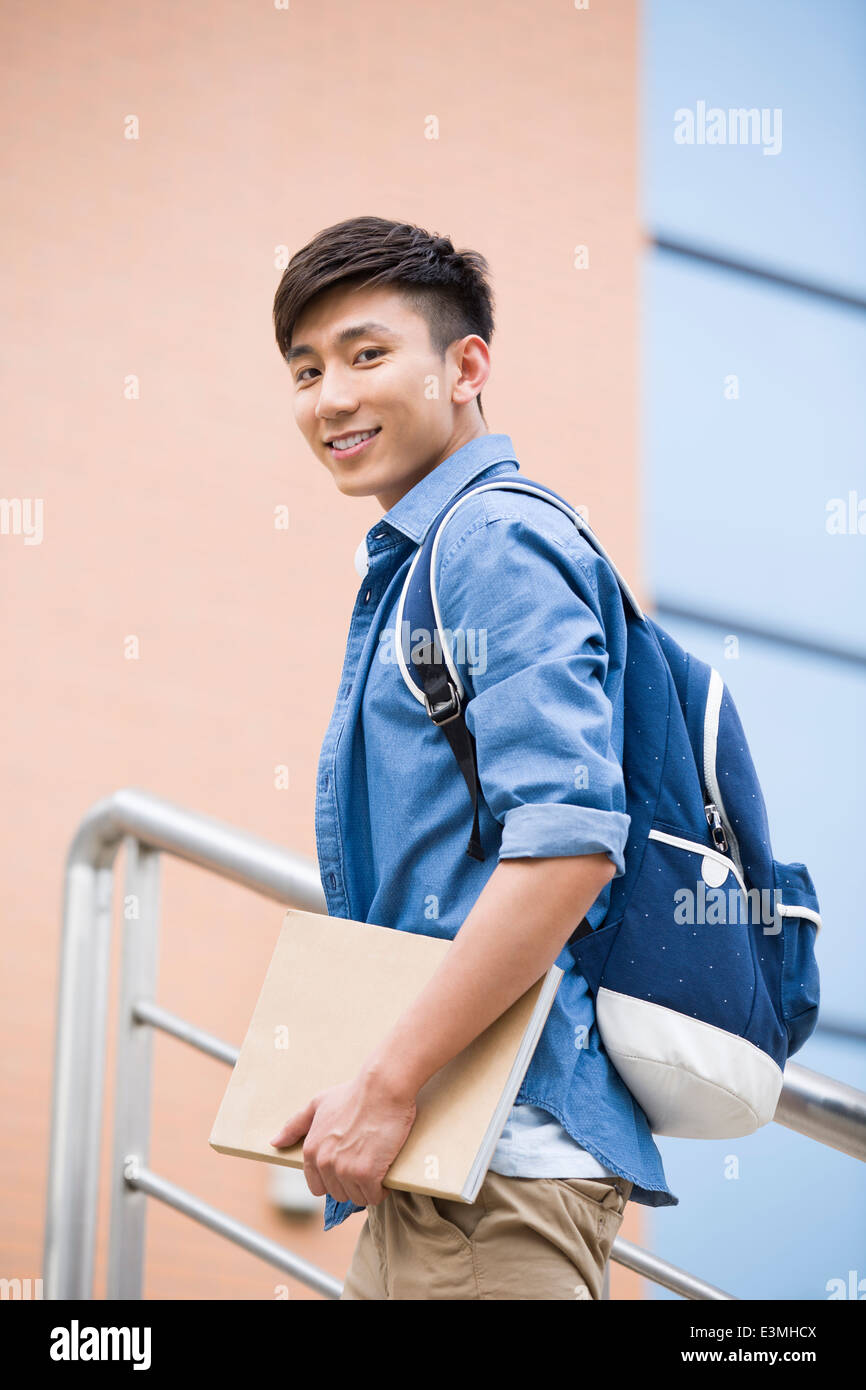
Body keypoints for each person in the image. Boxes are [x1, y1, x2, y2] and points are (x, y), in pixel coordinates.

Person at [268, 216, 676, 1300]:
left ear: (466, 365)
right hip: (451, 1154)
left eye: (364, 354)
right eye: (305, 371)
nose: (330, 398)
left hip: (499, 1161)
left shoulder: (490, 540)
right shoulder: (425, 557)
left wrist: (390, 1079)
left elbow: (568, 843)